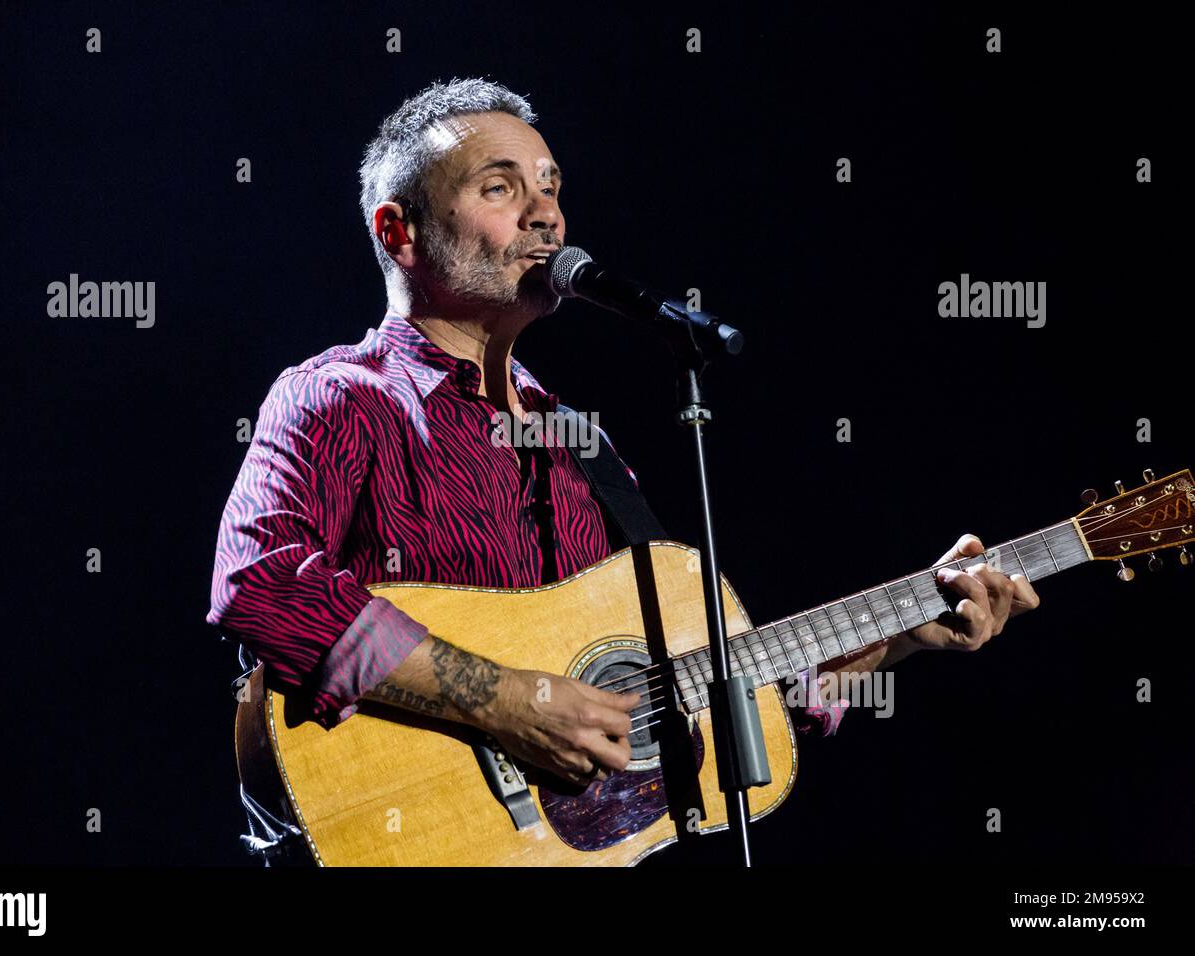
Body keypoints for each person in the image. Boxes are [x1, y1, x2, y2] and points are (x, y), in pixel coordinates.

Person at [205, 77, 1041, 865]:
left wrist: (896, 635)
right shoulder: (338, 396)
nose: (547, 216)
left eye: (551, 186)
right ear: (400, 232)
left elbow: (672, 702)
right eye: (500, 188)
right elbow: (262, 586)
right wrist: (507, 702)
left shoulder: (581, 444)